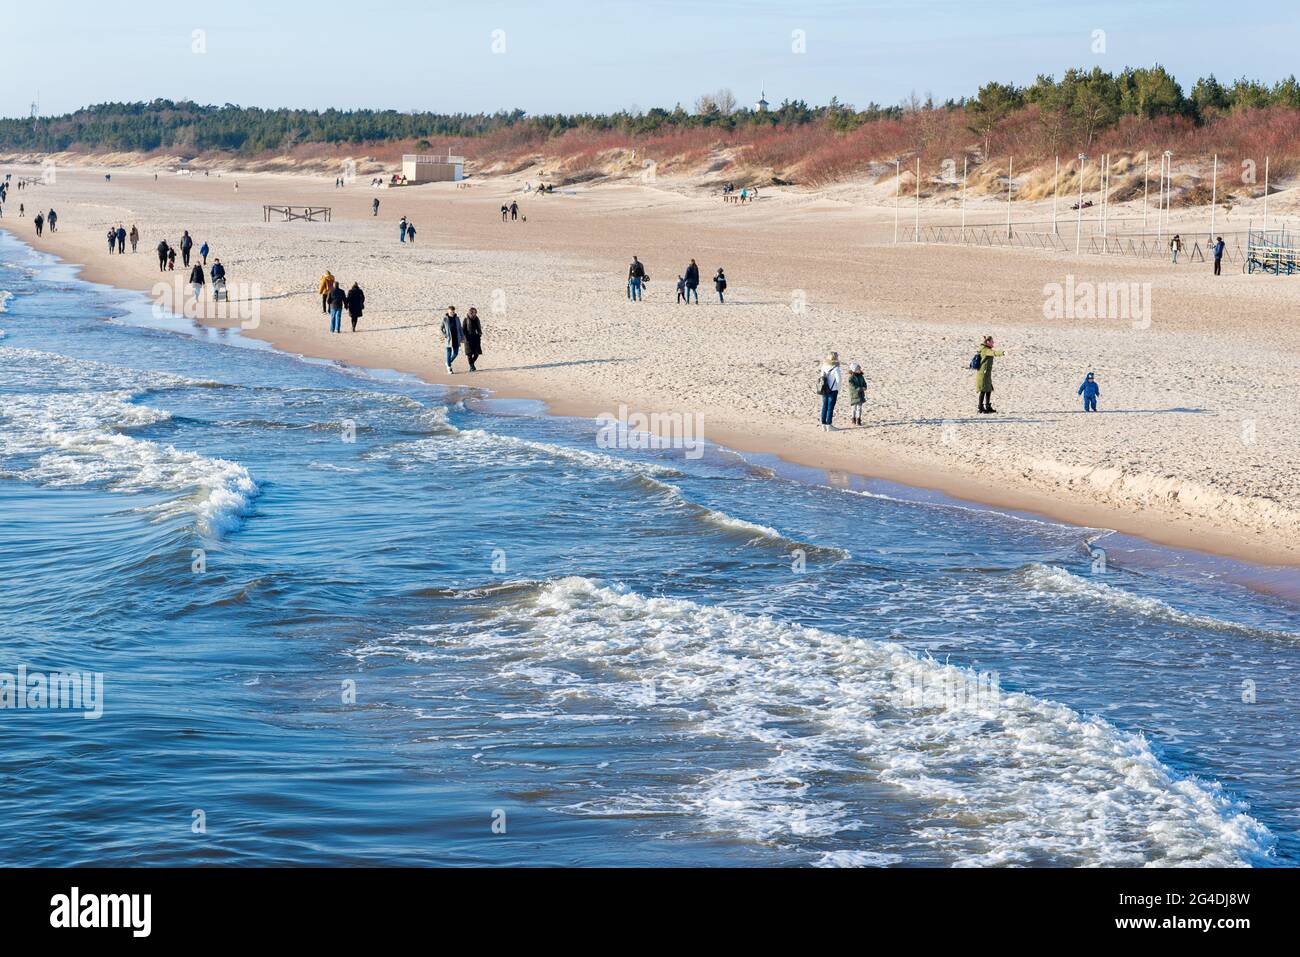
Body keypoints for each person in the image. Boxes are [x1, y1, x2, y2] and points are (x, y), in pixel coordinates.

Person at [975, 336, 1005, 414]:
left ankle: (988, 406)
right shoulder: (985, 350)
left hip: (986, 374)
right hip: (983, 374)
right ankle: (980, 407)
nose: (993, 343)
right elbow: (994, 353)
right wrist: (1003, 353)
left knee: (989, 390)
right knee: (983, 390)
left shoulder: (986, 349)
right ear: (988, 342)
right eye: (992, 341)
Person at [818, 352, 842, 431]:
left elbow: (822, 377)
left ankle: (823, 425)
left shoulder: (824, 366)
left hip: (824, 389)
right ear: (835, 358)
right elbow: (838, 380)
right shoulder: (836, 368)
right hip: (833, 389)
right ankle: (829, 425)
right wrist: (838, 389)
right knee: (830, 408)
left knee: (824, 406)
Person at [441, 305, 463, 373]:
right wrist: (445, 335)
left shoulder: (457, 318)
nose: (452, 313)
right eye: (450, 312)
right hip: (449, 339)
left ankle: (448, 363)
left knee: (456, 353)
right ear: (448, 311)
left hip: (456, 338)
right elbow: (441, 328)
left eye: (453, 312)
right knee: (449, 353)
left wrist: (462, 337)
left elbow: (460, 328)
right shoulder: (445, 319)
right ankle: (449, 368)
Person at [463, 307, 483, 371]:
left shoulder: (477, 319)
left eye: (475, 312)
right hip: (468, 338)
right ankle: (472, 367)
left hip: (476, 338)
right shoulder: (466, 319)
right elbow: (463, 329)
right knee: (469, 354)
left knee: (477, 353)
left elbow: (479, 327)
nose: (475, 313)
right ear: (470, 312)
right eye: (473, 312)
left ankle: (471, 364)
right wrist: (465, 338)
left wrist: (479, 333)